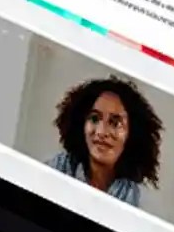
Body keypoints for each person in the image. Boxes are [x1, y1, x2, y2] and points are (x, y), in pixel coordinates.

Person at [46, 76, 163, 207]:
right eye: (94, 118)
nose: (101, 132)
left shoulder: (141, 204)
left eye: (115, 123)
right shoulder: (51, 172)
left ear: (132, 134)